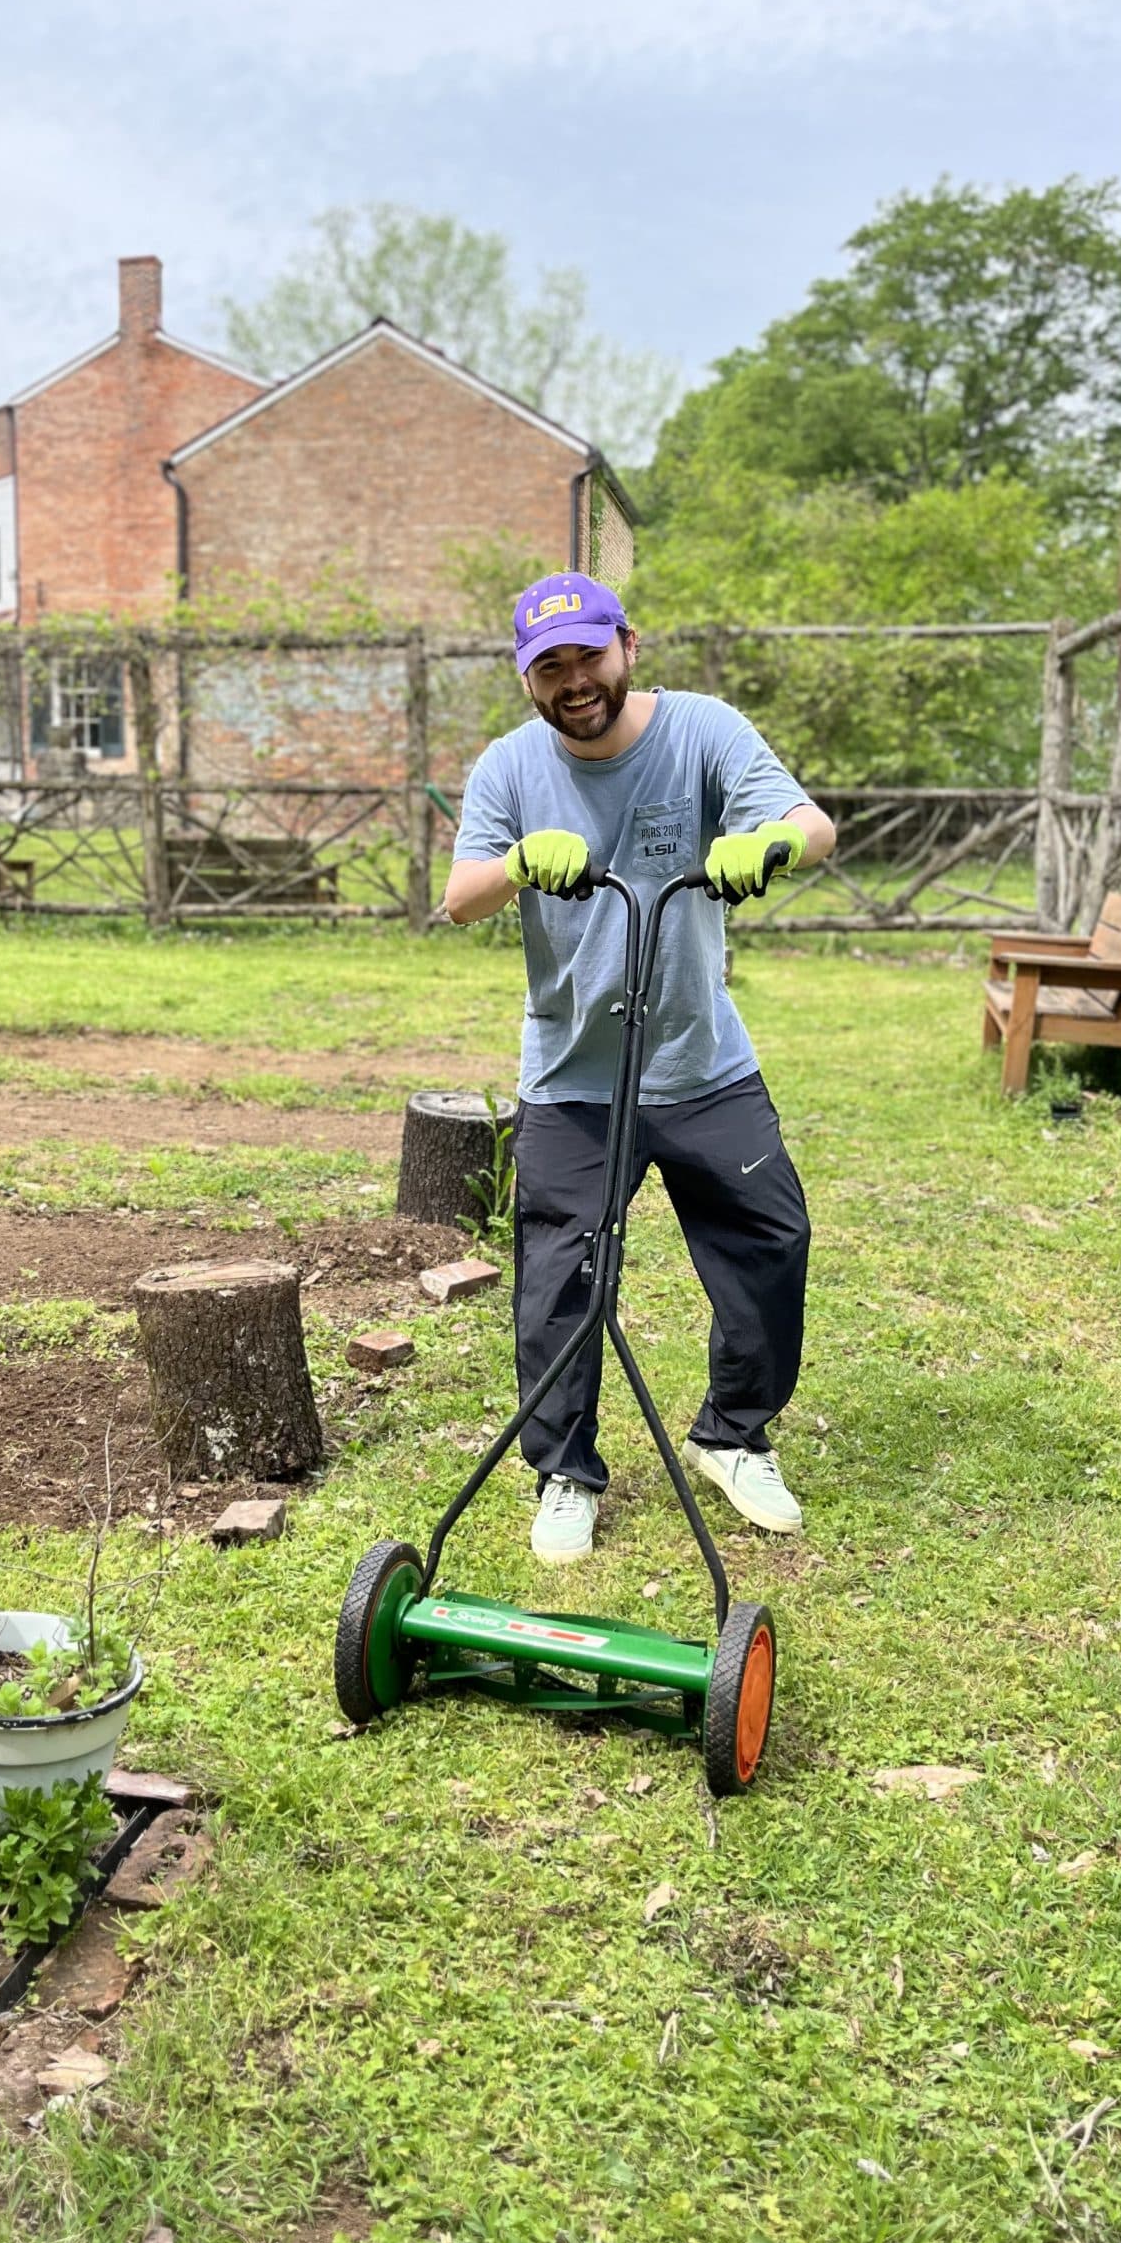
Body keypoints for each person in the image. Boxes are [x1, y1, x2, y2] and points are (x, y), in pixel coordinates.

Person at [444, 573, 835, 1564]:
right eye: (550, 667)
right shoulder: (509, 766)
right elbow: (459, 897)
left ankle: (732, 1435)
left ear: (627, 644)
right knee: (559, 1280)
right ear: (526, 677)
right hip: (573, 1075)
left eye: (588, 655)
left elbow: (815, 825)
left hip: (703, 1061)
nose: (574, 680)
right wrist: (521, 859)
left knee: (769, 1240)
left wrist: (770, 840)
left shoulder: (701, 730)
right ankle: (565, 1469)